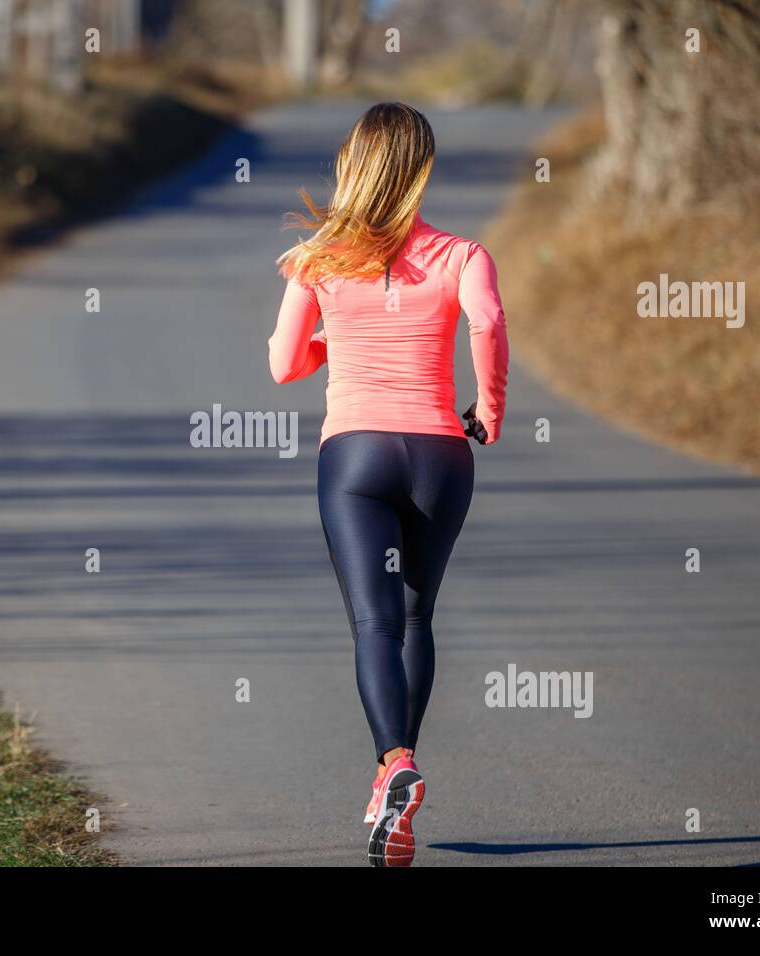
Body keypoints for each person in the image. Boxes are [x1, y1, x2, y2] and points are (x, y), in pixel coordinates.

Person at [267, 102, 509, 867]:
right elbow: (489, 324)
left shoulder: (318, 259)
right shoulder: (463, 254)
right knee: (416, 615)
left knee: (374, 625)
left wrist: (329, 337)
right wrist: (491, 408)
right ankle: (392, 778)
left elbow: (283, 366)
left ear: (353, 166)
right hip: (441, 453)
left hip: (357, 457)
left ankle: (394, 766)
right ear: (421, 171)